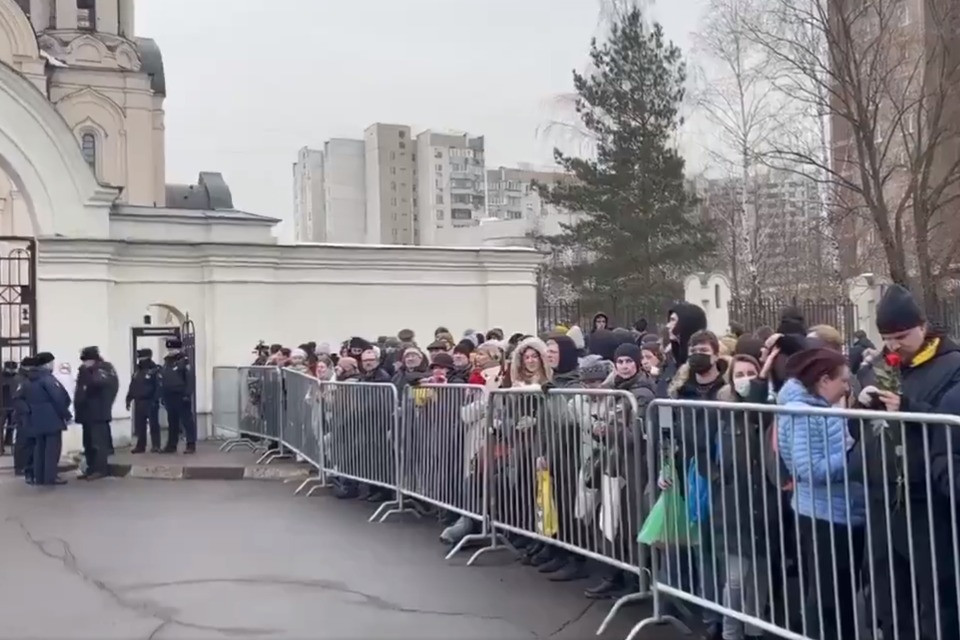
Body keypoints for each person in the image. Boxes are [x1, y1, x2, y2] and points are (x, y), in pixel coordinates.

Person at [856, 284, 960, 640]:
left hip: (926, 498)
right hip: (882, 495)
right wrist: (863, 404)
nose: (894, 345)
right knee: (887, 593)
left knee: (937, 589)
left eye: (901, 336)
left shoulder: (953, 365)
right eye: (887, 338)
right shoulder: (878, 365)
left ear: (923, 326)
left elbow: (951, 421)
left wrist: (909, 409)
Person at [776, 347, 864, 640]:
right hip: (825, 515)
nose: (846, 387)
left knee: (834, 595)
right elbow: (808, 468)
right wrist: (856, 456)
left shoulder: (812, 408)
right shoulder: (805, 413)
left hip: (831, 510)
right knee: (828, 599)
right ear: (824, 380)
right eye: (843, 381)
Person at [24, 352, 72, 486]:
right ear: (47, 364)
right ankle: (50, 477)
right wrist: (66, 415)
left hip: (36, 419)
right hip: (52, 419)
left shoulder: (29, 379)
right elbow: (59, 398)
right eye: (52, 362)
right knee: (52, 450)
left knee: (39, 449)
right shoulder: (48, 379)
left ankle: (39, 476)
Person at [74, 346, 119, 480]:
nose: (84, 363)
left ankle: (100, 469)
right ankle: (90, 468)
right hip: (85, 413)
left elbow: (99, 383)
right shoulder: (84, 370)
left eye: (87, 361)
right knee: (88, 443)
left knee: (98, 443)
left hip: (98, 412)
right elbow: (81, 389)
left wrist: (89, 372)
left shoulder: (104, 368)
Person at [160, 338, 195, 454]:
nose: (170, 351)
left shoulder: (184, 361)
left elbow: (190, 379)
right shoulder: (167, 362)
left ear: (179, 349)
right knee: (172, 421)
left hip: (181, 395)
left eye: (173, 348)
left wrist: (187, 394)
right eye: (169, 348)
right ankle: (171, 444)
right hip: (169, 395)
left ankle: (190, 444)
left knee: (186, 420)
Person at [126, 348, 161, 453]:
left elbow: (158, 386)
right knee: (140, 425)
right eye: (139, 357)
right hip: (139, 401)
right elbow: (133, 386)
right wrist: (129, 398)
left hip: (150, 401)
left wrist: (155, 399)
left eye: (142, 357)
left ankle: (156, 445)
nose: (140, 360)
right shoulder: (137, 371)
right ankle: (140, 446)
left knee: (153, 424)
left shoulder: (154, 370)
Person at [11, 356, 35, 482]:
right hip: (22, 415)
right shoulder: (20, 379)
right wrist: (26, 411)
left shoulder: (24, 377)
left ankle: (24, 465)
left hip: (24, 414)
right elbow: (17, 398)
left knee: (26, 441)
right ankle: (20, 466)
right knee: (22, 442)